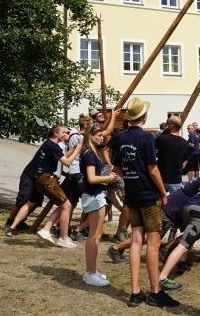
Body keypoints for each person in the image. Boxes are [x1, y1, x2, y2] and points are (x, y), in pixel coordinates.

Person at [113, 96, 178, 308]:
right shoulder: (147, 138)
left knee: (136, 240)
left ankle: (134, 292)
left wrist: (131, 178)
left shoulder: (121, 137)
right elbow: (153, 169)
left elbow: (117, 170)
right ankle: (155, 292)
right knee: (153, 243)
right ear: (144, 116)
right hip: (148, 195)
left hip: (132, 194)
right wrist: (163, 192)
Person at [6, 123, 82, 247]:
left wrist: (73, 149)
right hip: (46, 179)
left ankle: (12, 227)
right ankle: (59, 236)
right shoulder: (53, 146)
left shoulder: (49, 144)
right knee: (67, 206)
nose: (67, 134)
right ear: (56, 133)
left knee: (31, 202)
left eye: (68, 132)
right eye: (64, 132)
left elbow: (62, 157)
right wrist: (78, 150)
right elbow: (67, 162)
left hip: (39, 179)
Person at [81, 123, 117, 287]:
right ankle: (91, 273)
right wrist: (108, 178)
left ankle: (92, 270)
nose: (102, 138)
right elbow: (91, 178)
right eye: (99, 135)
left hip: (96, 196)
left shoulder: (93, 152)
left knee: (97, 234)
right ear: (91, 135)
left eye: (103, 135)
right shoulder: (89, 154)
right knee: (94, 236)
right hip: (93, 196)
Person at [156, 176, 200, 292]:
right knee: (184, 244)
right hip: (198, 212)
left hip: (186, 208)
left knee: (193, 236)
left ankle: (181, 261)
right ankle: (162, 278)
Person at [45, 114, 90, 240]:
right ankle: (73, 230)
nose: (68, 133)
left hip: (74, 173)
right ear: (86, 125)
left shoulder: (79, 138)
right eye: (65, 132)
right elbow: (67, 159)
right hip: (76, 173)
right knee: (88, 202)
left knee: (70, 204)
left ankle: (58, 228)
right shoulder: (78, 137)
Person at [155, 116, 191, 194]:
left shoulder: (161, 139)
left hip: (160, 179)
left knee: (158, 205)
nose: (166, 126)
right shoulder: (185, 143)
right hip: (176, 180)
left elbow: (154, 155)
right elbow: (185, 162)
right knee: (175, 204)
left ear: (171, 126)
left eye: (167, 124)